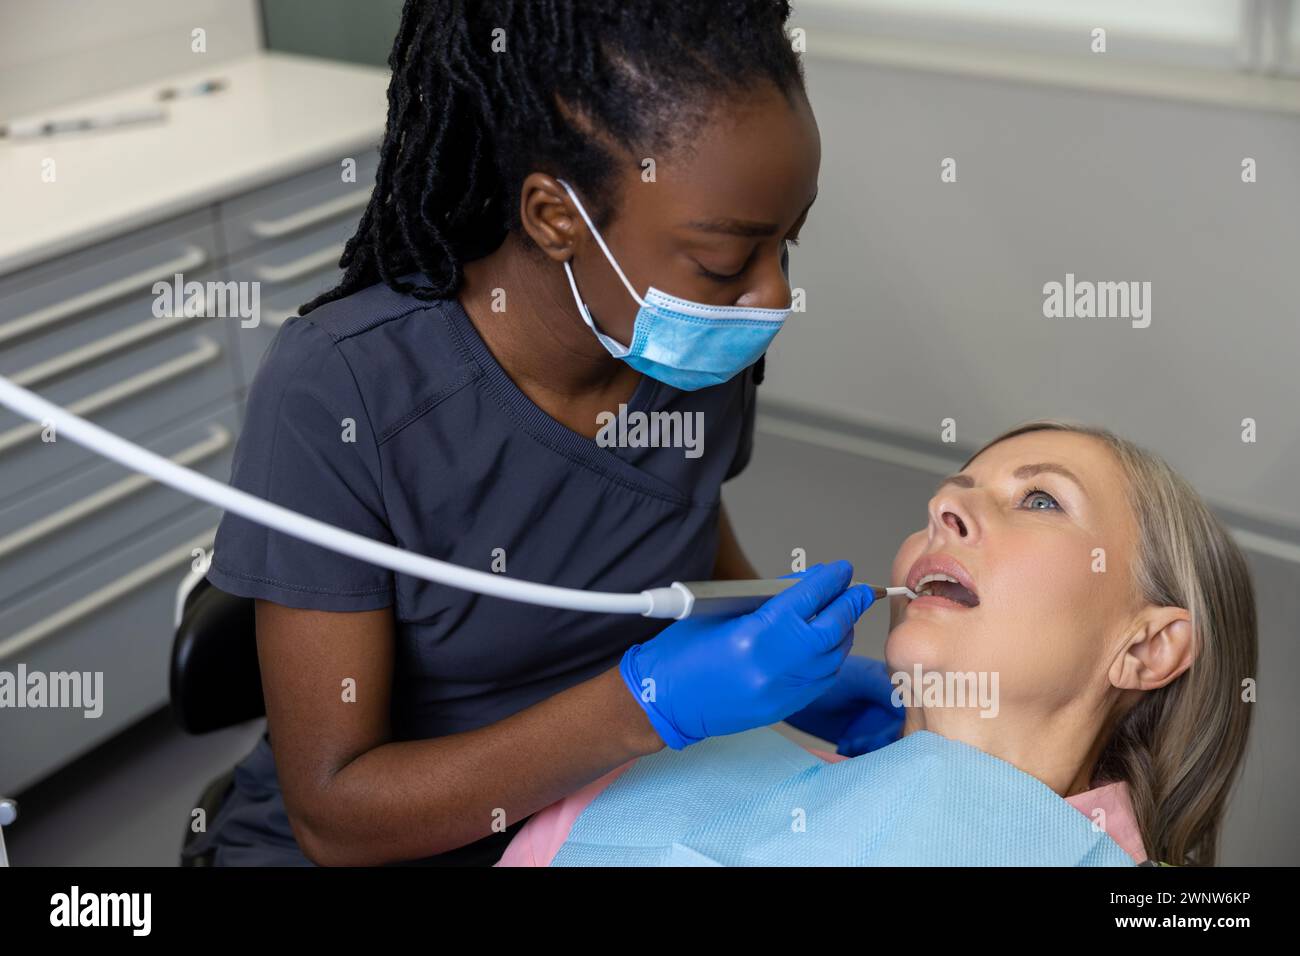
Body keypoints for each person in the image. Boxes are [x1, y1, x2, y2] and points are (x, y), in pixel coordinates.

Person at [184, 0, 892, 866]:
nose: (772, 295)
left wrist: (781, 659)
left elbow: (676, 522)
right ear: (557, 215)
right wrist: (644, 707)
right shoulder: (346, 390)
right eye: (725, 260)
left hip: (603, 807)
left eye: (790, 242)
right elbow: (335, 817)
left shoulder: (692, 347)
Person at [498, 422, 1259, 866]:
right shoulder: (652, 779)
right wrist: (638, 712)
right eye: (953, 488)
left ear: (1148, 650)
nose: (945, 506)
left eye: (1039, 498)